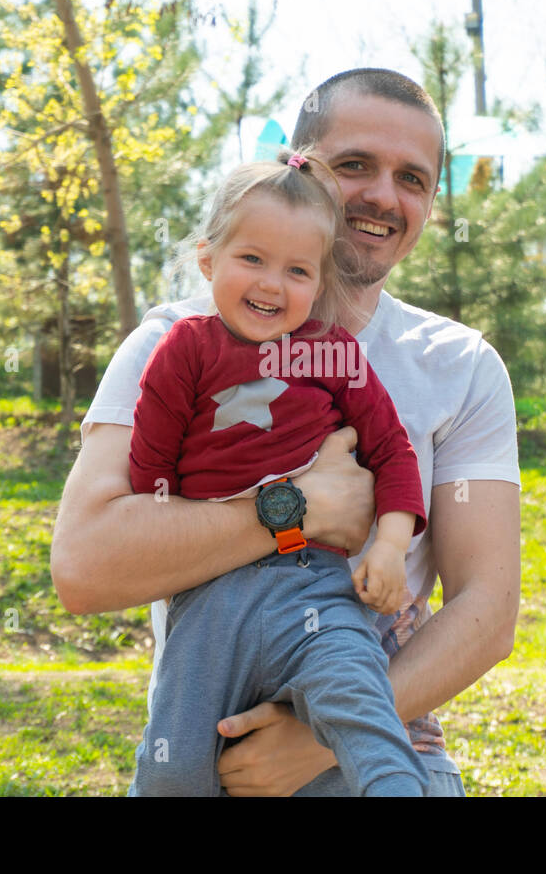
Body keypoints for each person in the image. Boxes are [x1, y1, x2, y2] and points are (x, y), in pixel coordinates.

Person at [52, 68, 522, 797]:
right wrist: (296, 509)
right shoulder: (170, 344)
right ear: (297, 170)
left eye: (413, 179)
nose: (383, 197)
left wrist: (316, 737)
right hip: (215, 739)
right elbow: (86, 565)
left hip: (385, 743)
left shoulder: (461, 368)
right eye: (355, 165)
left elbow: (486, 612)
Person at [128, 150, 431, 796]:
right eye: (252, 260)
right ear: (208, 260)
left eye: (297, 270)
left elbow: (393, 454)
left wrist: (391, 545)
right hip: (208, 596)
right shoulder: (183, 349)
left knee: (365, 714)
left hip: (316, 591)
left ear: (319, 285)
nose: (272, 284)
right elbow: (149, 482)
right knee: (174, 768)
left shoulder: (334, 354)